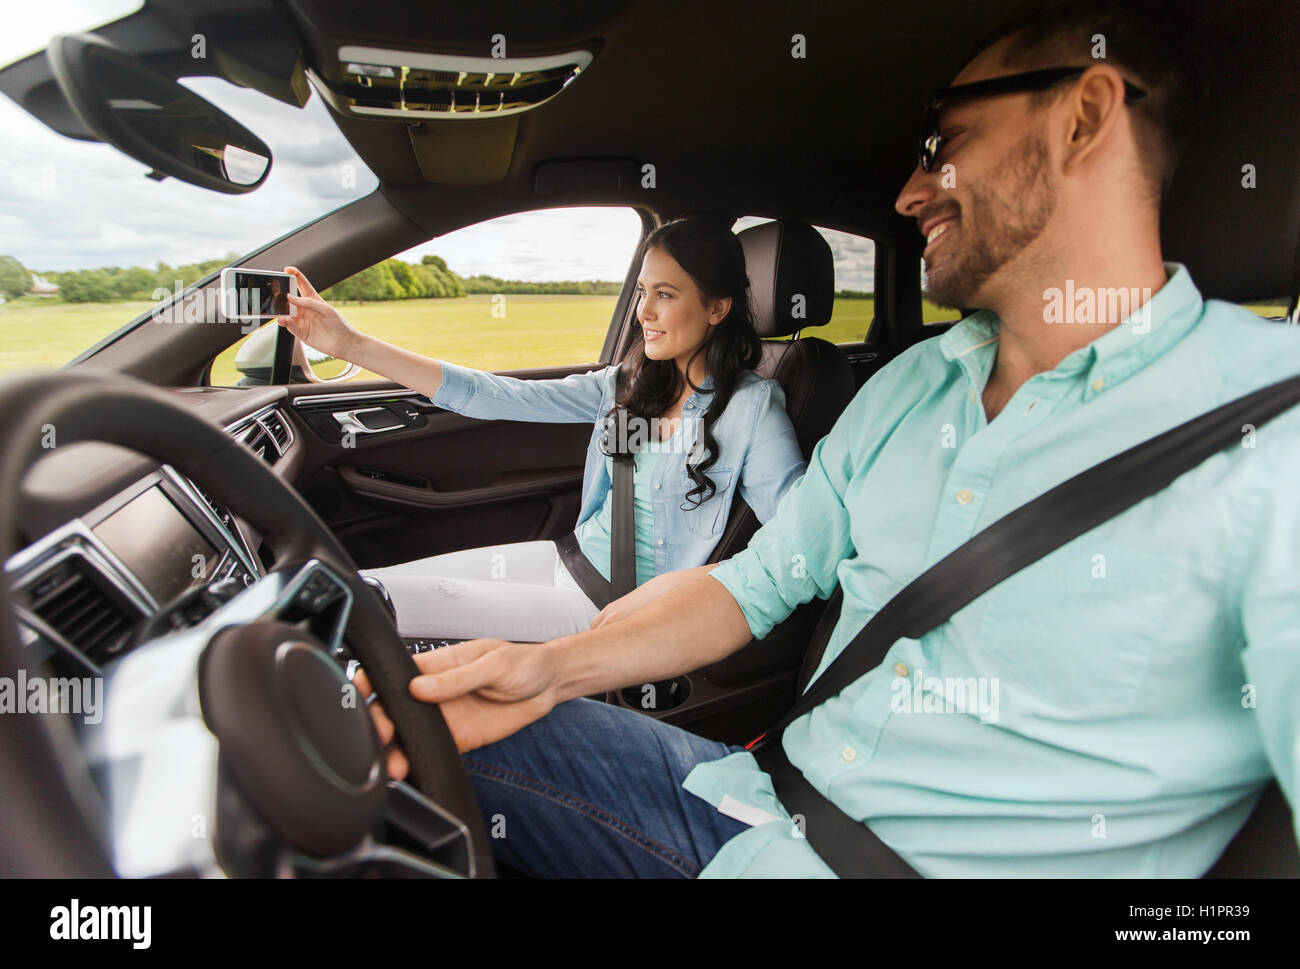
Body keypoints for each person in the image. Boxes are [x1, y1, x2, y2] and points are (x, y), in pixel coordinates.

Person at [361, 0, 1300, 877]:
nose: (908, 191)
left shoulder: (1272, 435)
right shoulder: (910, 386)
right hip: (753, 807)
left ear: (1085, 115)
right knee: (404, 724)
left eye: (947, 144)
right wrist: (549, 671)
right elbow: (758, 580)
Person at [276, 217, 806, 643]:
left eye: (664, 294)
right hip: (565, 556)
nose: (643, 311)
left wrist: (693, 589)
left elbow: (798, 541)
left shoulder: (753, 409)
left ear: (717, 307)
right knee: (363, 584)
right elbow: (499, 395)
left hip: (614, 605)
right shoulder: (631, 379)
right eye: (641, 291)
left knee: (367, 610)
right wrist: (351, 345)